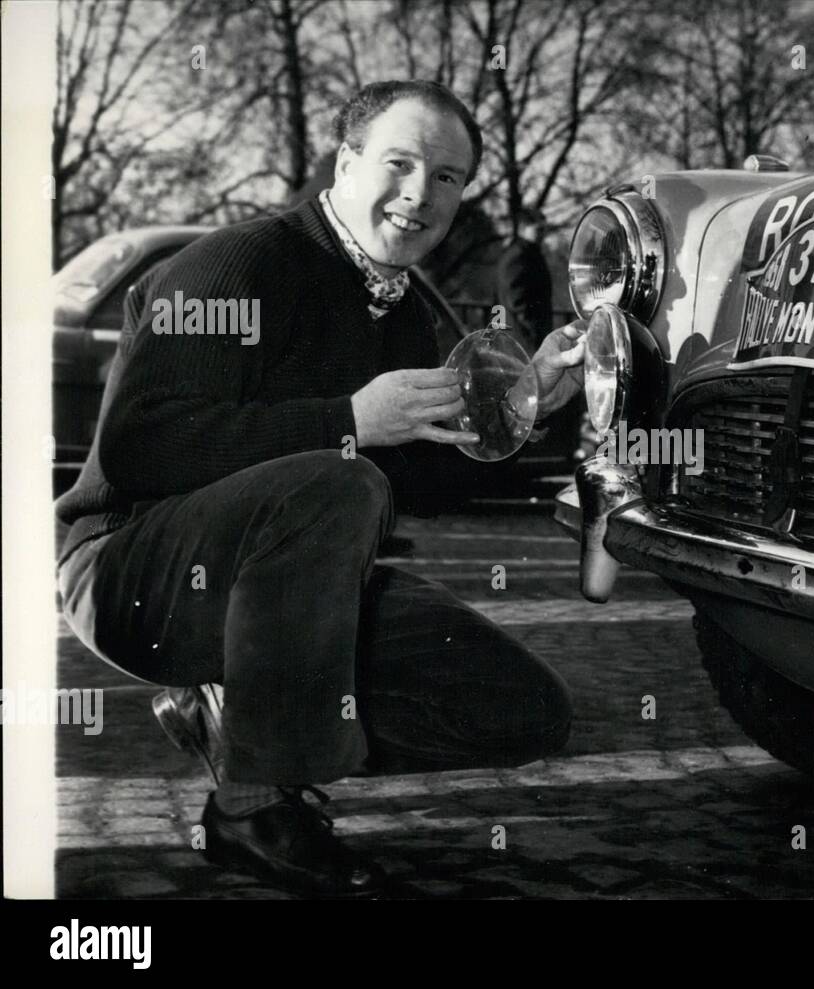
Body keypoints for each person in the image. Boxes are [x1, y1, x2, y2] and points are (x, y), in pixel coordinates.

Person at [54, 80, 586, 898]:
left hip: (279, 583)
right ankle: (253, 806)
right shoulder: (241, 262)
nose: (420, 194)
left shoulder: (404, 308)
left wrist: (529, 404)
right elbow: (137, 449)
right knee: (336, 479)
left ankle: (231, 711)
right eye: (399, 163)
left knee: (522, 709)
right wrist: (348, 419)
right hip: (127, 569)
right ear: (346, 163)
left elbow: (404, 479)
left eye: (447, 177)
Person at [495, 206, 554, 353]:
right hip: (522, 338)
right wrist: (533, 329)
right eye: (538, 230)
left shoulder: (524, 253)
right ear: (523, 229)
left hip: (522, 336)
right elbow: (516, 298)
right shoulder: (520, 255)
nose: (543, 235)